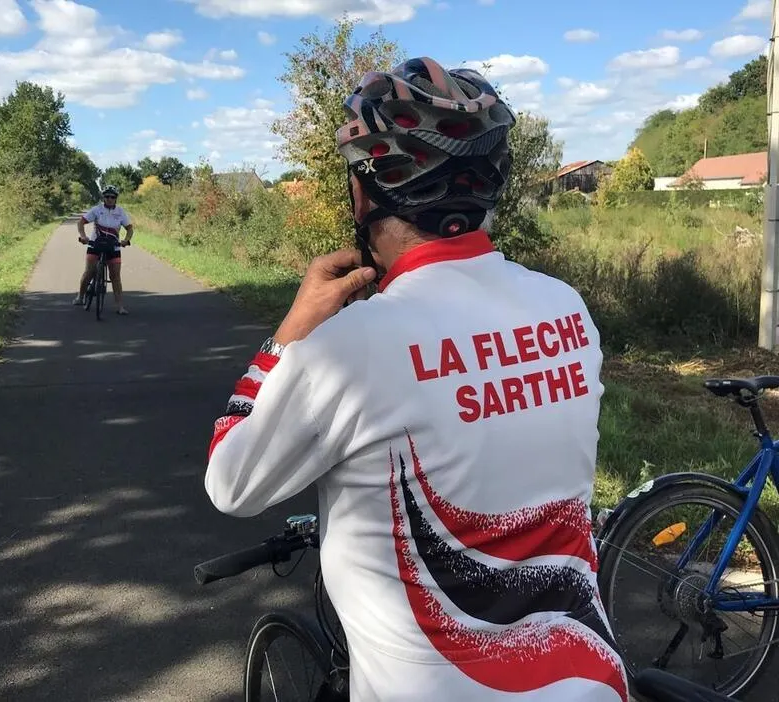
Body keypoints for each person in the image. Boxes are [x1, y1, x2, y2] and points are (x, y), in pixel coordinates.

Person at [203, 57, 628, 701]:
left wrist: (288, 335)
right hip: (591, 683)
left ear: (364, 193)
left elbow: (232, 482)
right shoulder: (566, 307)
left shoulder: (353, 343)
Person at [74, 185, 134, 315]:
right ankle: (80, 296)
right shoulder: (97, 209)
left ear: (116, 198)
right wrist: (83, 236)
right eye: (107, 197)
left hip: (113, 246)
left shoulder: (120, 212)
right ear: (103, 198)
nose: (109, 199)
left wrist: (126, 240)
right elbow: (81, 222)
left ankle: (120, 307)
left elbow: (129, 228)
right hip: (95, 244)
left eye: (112, 197)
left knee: (115, 277)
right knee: (89, 271)